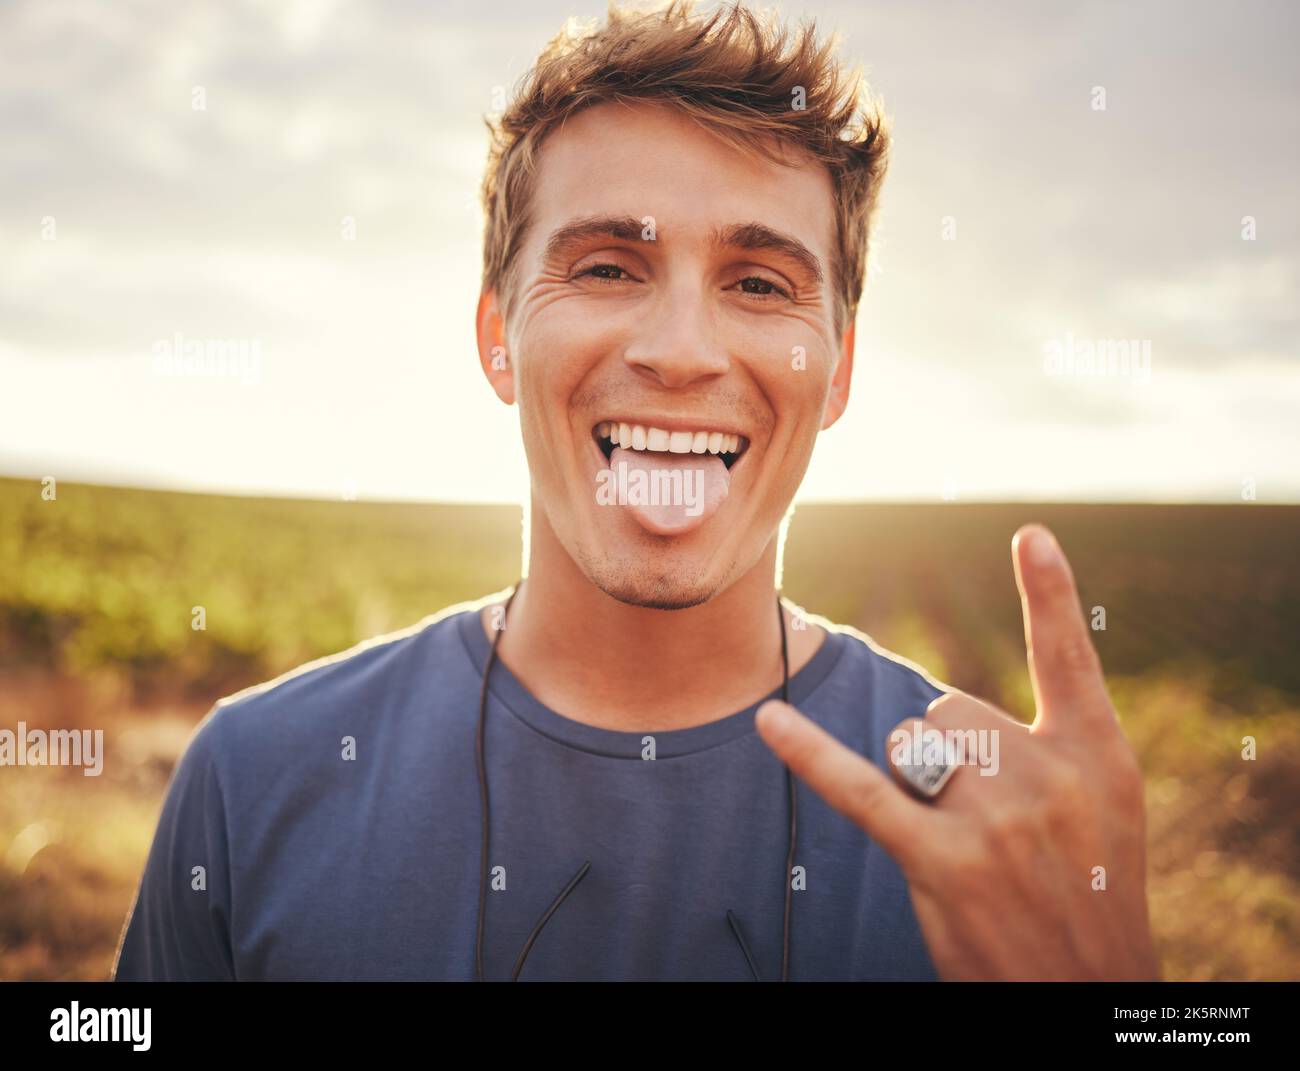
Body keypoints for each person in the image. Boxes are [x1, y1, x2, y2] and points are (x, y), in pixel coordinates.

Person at [113, 0, 1156, 982]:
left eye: (757, 283)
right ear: (496, 339)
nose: (680, 351)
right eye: (608, 267)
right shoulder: (251, 782)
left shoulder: (987, 836)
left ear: (837, 370)